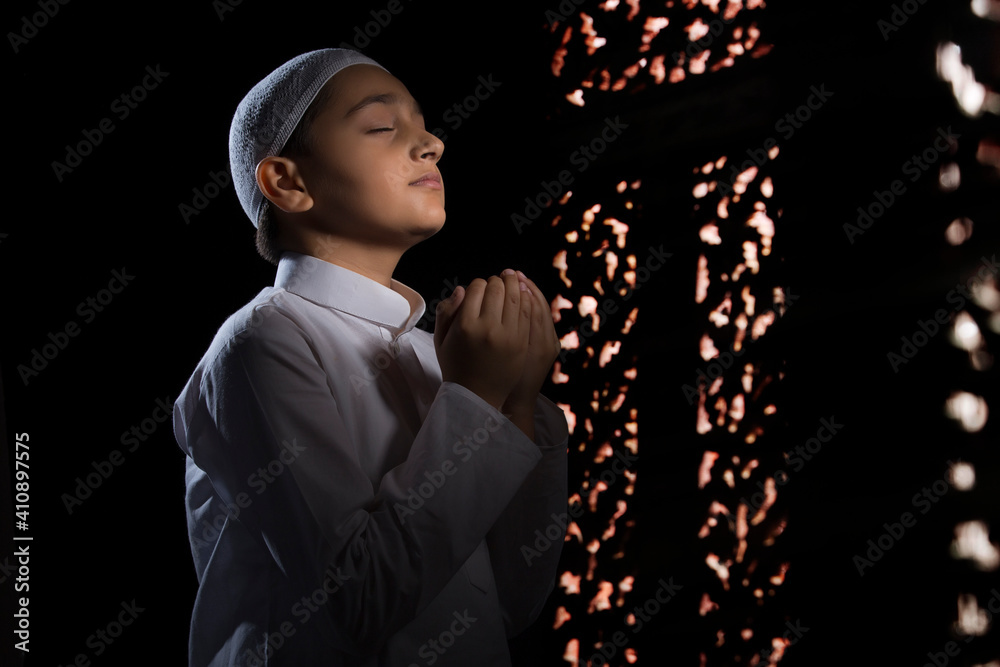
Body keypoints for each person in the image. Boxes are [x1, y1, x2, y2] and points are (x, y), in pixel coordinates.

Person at [172, 47, 569, 666]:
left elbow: (513, 605)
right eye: (383, 127)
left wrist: (516, 403)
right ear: (288, 182)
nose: (432, 142)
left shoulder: (437, 356)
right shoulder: (263, 343)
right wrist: (480, 400)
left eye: (423, 124)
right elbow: (355, 602)